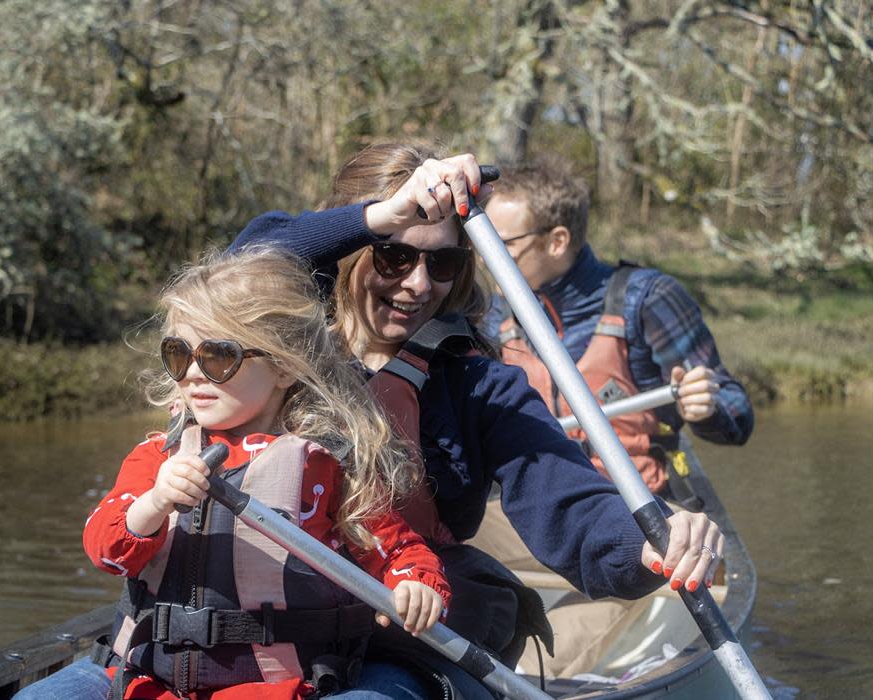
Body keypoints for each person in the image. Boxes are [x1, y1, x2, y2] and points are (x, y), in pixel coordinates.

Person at [230, 141, 724, 698]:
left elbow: (570, 502)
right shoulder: (269, 343)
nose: (419, 285)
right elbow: (242, 263)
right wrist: (383, 214)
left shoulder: (479, 385)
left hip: (393, 646)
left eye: (440, 262)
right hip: (248, 631)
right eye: (394, 255)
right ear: (351, 244)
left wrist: (648, 541)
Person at [14, 249, 450, 700]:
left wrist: (417, 585)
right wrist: (155, 504)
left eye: (219, 356)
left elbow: (397, 548)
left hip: (281, 690)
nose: (194, 374)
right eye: (179, 355)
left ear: (283, 366)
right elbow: (105, 550)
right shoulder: (157, 458)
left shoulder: (324, 468)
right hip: (146, 683)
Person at [482, 156, 754, 500]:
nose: (485, 257)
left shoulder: (647, 299)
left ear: (557, 242)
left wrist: (707, 408)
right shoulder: (494, 314)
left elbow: (738, 416)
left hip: (641, 503)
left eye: (503, 245)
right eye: (482, 242)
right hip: (543, 509)